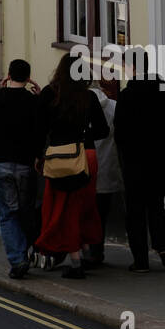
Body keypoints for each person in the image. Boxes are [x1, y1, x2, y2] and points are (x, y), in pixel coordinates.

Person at [35, 54, 110, 279]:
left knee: (61, 210)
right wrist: (83, 135)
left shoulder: (50, 94)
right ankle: (86, 250)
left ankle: (76, 260)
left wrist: (39, 156)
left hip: (60, 158)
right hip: (87, 156)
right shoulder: (89, 97)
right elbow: (103, 131)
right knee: (84, 206)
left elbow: (39, 128)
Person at [114, 75, 165, 271]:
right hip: (157, 156)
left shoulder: (127, 95)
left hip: (133, 160)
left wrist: (127, 148)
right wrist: (160, 137)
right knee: (156, 204)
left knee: (135, 210)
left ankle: (141, 260)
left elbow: (118, 131)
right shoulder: (162, 92)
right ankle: (163, 247)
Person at [0, 59, 39, 277]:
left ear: (8, 75)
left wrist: (0, 89)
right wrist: (39, 94)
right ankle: (28, 252)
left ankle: (17, 260)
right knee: (26, 211)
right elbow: (39, 126)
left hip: (3, 163)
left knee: (7, 214)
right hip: (26, 163)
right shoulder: (33, 101)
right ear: (28, 78)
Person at [88, 81, 122, 266]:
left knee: (84, 212)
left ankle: (87, 250)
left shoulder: (80, 106)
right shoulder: (115, 108)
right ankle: (97, 250)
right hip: (108, 168)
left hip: (83, 167)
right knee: (101, 214)